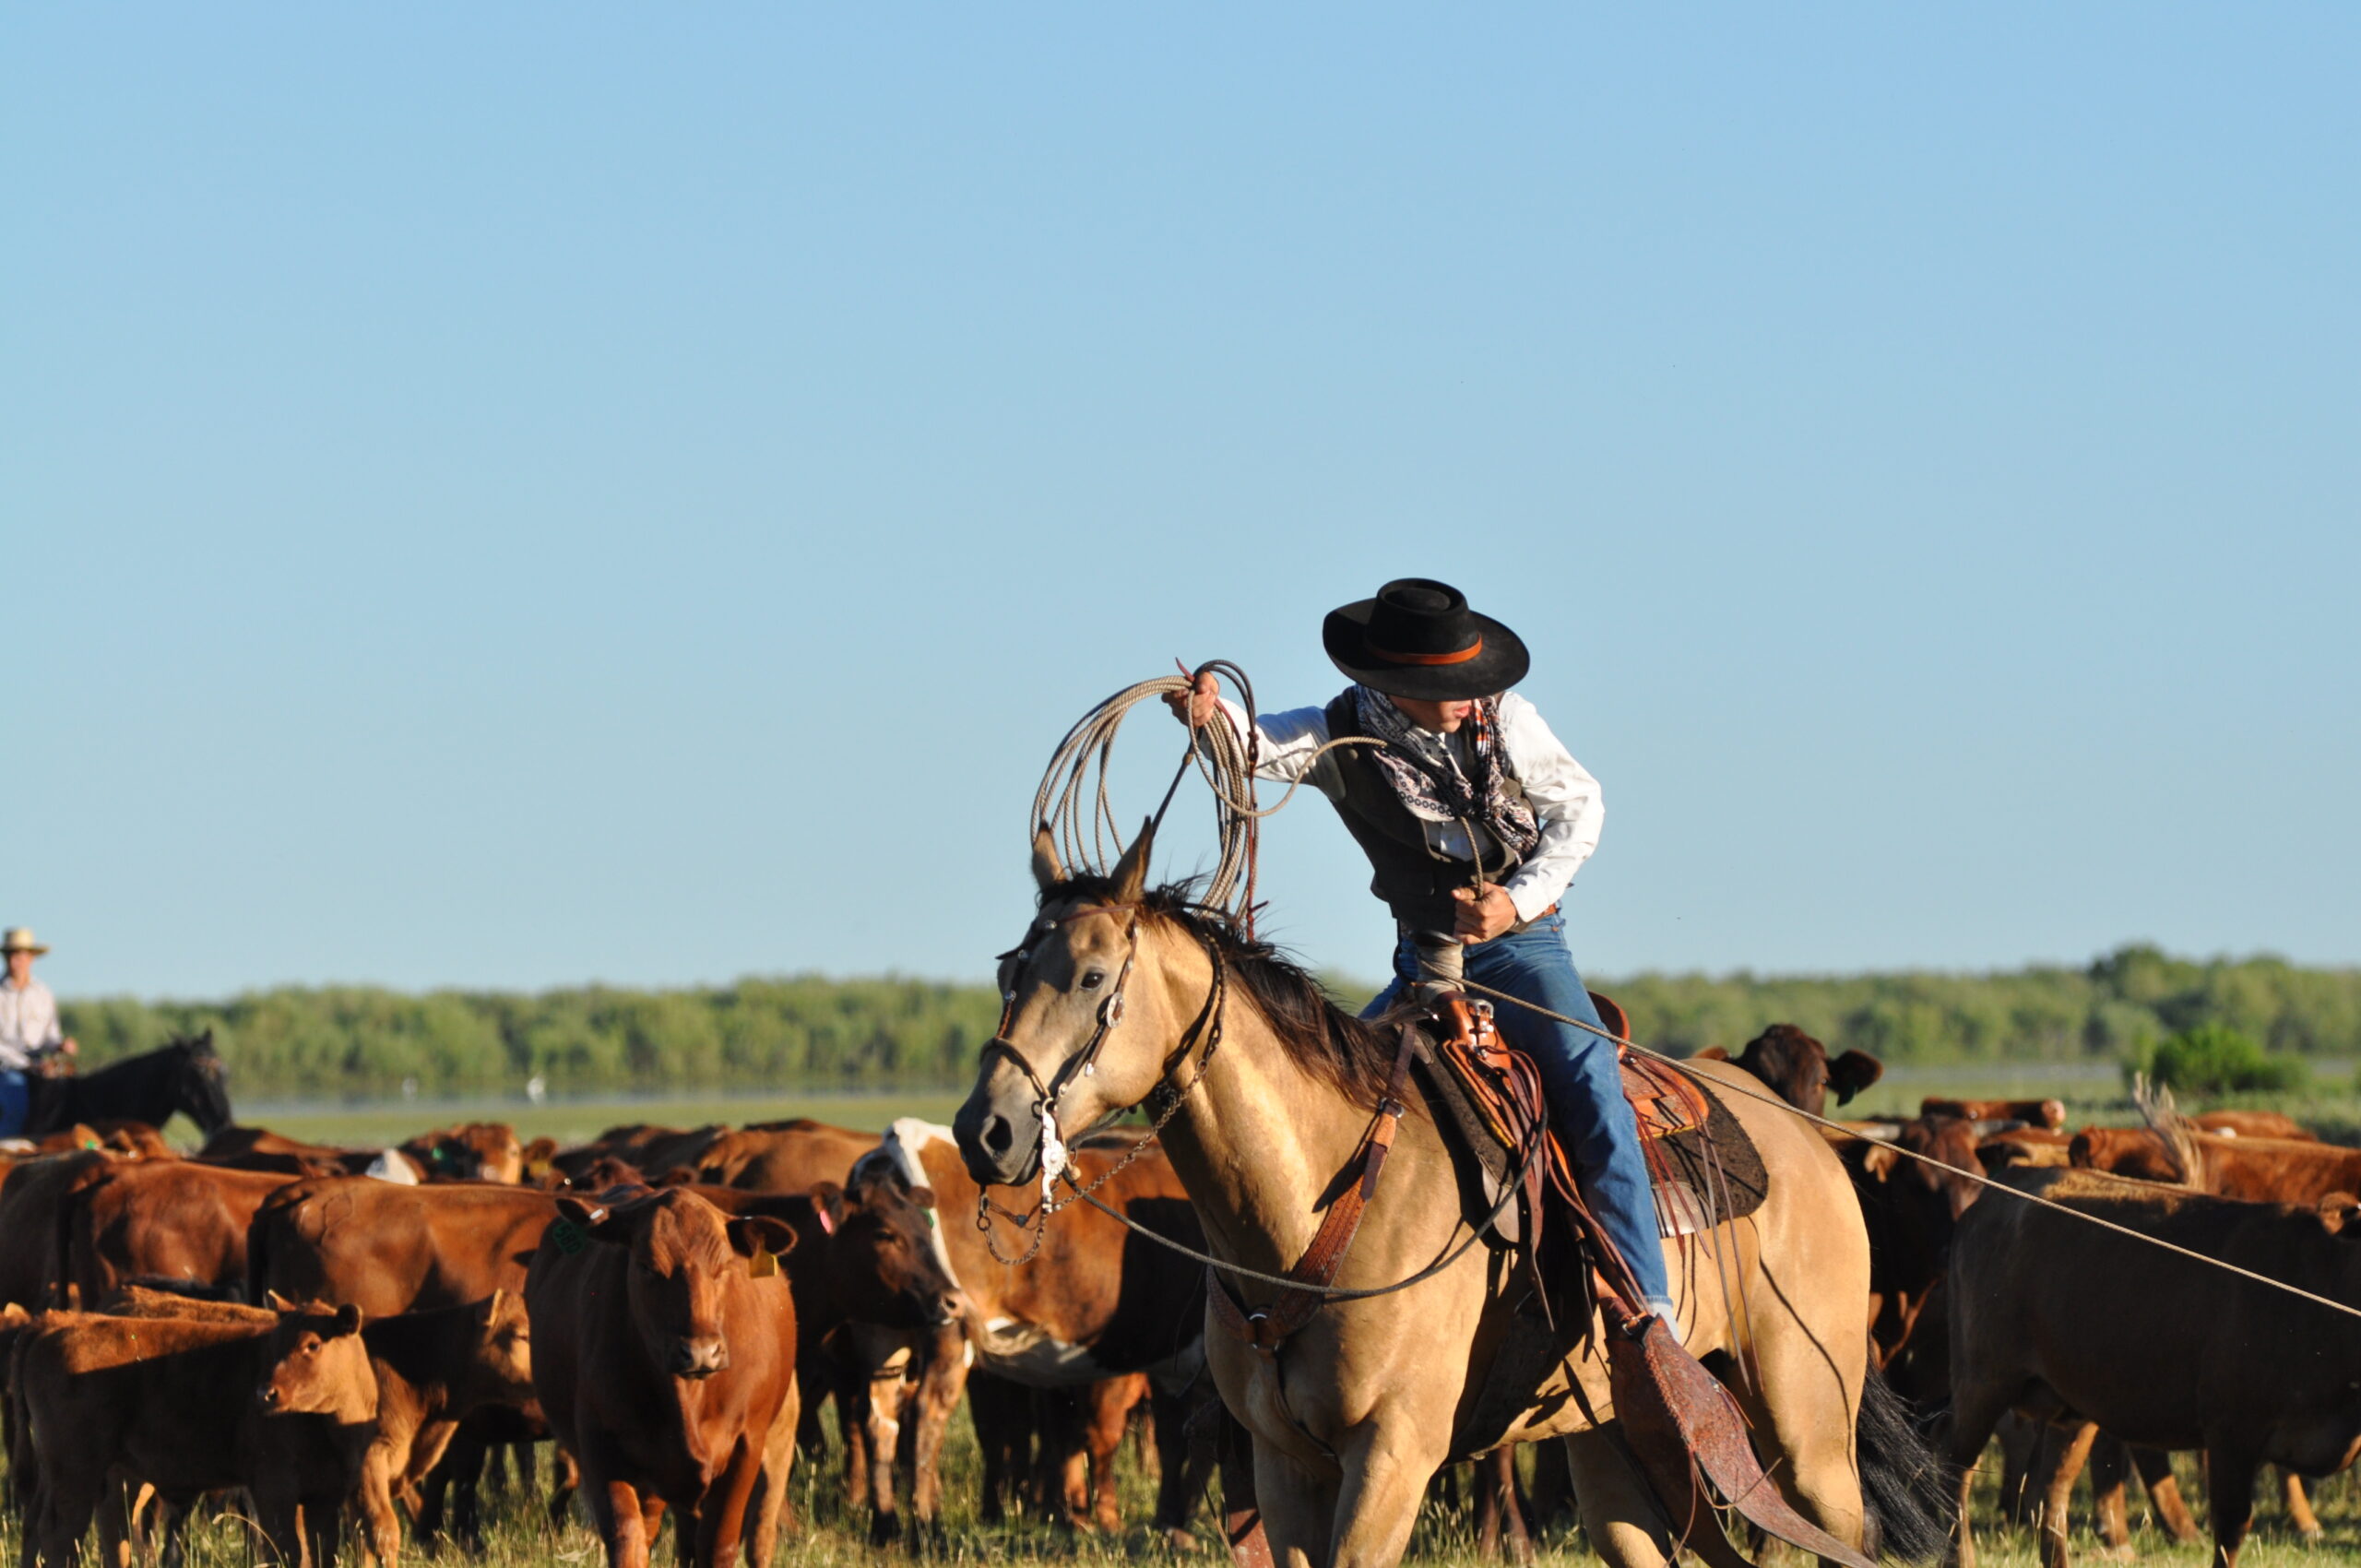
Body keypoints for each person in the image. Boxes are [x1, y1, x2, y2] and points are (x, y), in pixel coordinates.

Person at [1168, 577, 1674, 1320]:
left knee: (1587, 1073)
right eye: (1454, 686)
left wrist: (1515, 900)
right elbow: (1254, 748)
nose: (1473, 696)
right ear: (1401, 686)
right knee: (1327, 1093)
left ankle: (1645, 1304)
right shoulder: (1336, 735)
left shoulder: (1507, 720)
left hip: (1523, 951)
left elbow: (1579, 805)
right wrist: (1209, 716)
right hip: (1421, 963)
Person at [0, 928, 76, 1138]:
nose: (17, 960)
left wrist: (59, 1046)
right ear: (6, 957)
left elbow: (50, 1035)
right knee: (15, 1099)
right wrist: (29, 1065)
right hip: (7, 1068)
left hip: (41, 1065)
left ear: (31, 958)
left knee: (72, 1094)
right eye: (13, 955)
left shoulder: (43, 993)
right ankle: (7, 1151)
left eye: (22, 955)